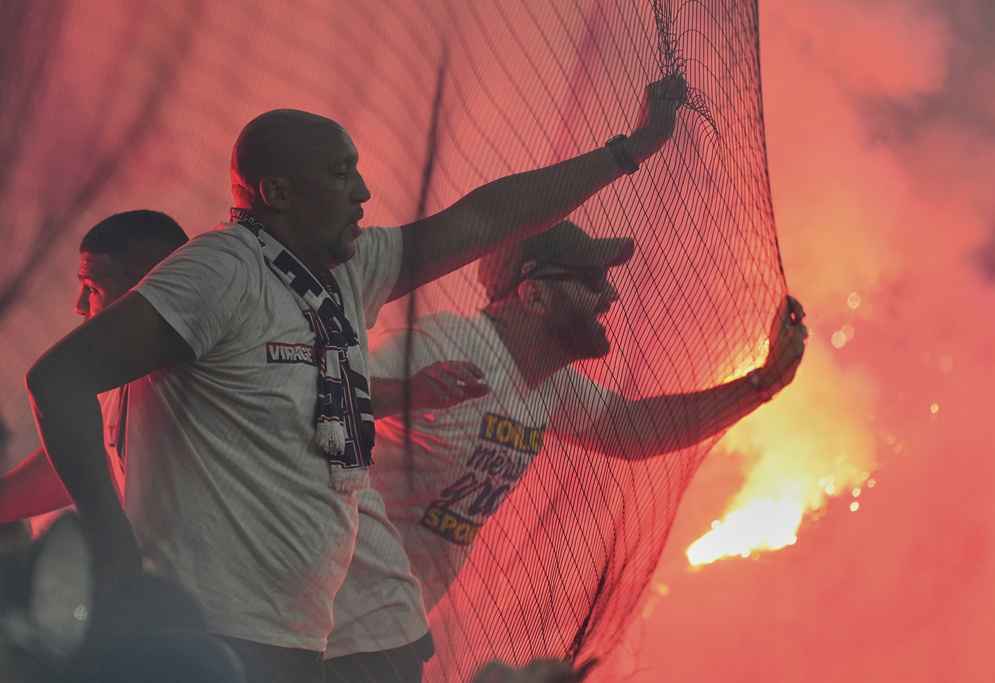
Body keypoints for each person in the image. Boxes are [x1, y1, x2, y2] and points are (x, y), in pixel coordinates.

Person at [26, 76, 688, 683]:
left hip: (303, 642)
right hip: (205, 643)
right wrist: (113, 554)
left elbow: (485, 218)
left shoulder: (346, 268)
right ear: (275, 193)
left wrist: (627, 153)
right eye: (341, 173)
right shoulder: (222, 271)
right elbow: (60, 379)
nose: (362, 192)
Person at [329, 220, 808, 637]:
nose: (610, 295)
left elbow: (631, 429)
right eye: (591, 279)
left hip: (384, 631)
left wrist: (763, 382)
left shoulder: (550, 385)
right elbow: (327, 396)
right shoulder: (444, 343)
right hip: (320, 615)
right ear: (534, 294)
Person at [0, 210, 188, 526]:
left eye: (92, 287)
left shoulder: (194, 372)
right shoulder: (122, 378)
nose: (79, 305)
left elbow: (53, 386)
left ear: (146, 289)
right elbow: (79, 462)